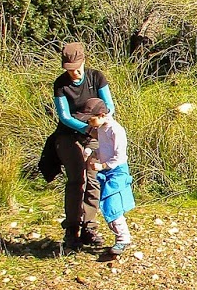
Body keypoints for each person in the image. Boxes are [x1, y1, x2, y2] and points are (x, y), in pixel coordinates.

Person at [45, 42, 114, 252]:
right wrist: (86, 128)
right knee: (77, 179)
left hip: (95, 131)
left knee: (93, 178)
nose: (74, 73)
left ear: (84, 62)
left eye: (77, 68)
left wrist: (100, 123)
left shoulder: (96, 77)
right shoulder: (60, 84)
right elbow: (64, 116)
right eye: (69, 69)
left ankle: (89, 226)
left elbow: (109, 106)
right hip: (69, 135)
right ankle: (72, 230)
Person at [84, 98, 135, 256]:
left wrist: (103, 166)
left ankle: (123, 239)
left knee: (112, 205)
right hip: (107, 171)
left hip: (117, 171)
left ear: (101, 115)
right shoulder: (101, 129)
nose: (88, 122)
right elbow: (104, 149)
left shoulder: (116, 130)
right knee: (106, 206)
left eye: (90, 118)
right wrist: (93, 153)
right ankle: (120, 237)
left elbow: (119, 156)